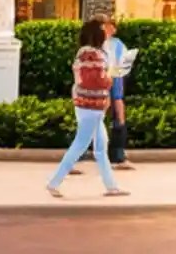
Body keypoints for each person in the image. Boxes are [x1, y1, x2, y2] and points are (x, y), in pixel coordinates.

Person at [46, 18, 128, 198]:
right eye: (103, 29)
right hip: (91, 106)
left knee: (100, 146)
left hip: (88, 105)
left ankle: (111, 186)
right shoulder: (92, 54)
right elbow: (95, 80)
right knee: (81, 144)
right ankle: (53, 182)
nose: (106, 32)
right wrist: (109, 78)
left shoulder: (87, 53)